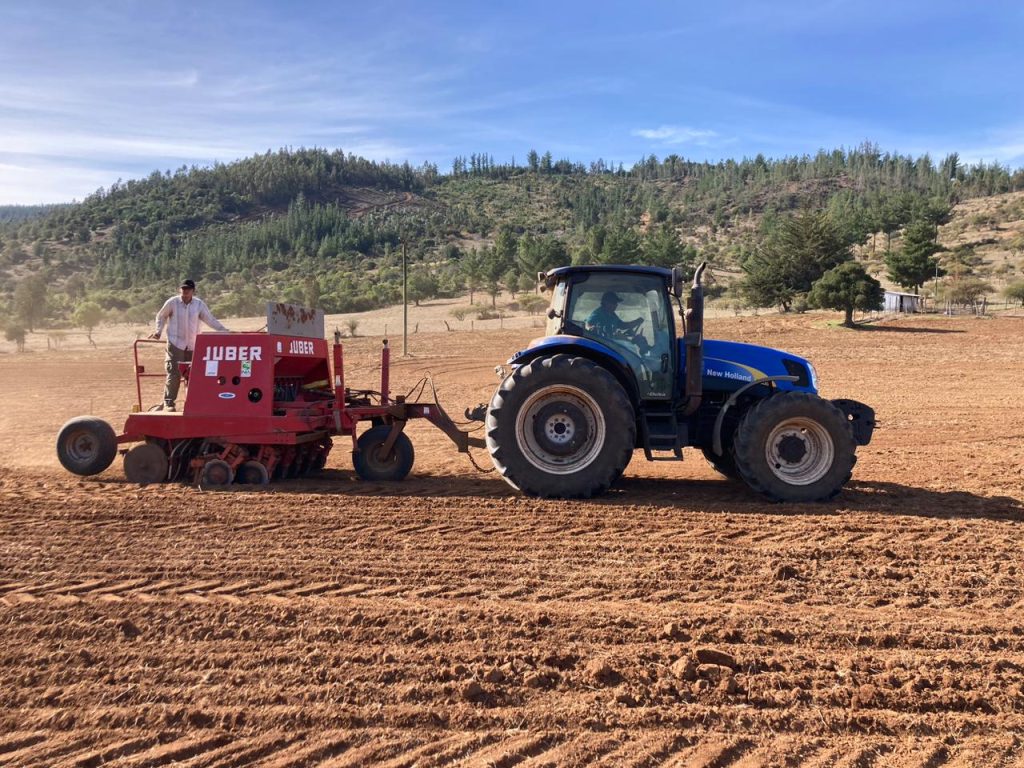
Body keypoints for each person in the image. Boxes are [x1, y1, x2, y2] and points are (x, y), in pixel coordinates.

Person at [149, 279, 229, 411]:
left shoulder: (198, 304)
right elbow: (161, 316)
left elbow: (209, 319)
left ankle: (196, 403)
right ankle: (169, 403)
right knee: (174, 373)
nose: (185, 292)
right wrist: (158, 331)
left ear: (193, 291)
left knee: (195, 374)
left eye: (188, 289)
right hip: (175, 343)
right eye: (183, 289)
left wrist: (224, 331)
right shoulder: (172, 302)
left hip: (193, 345)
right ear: (180, 290)